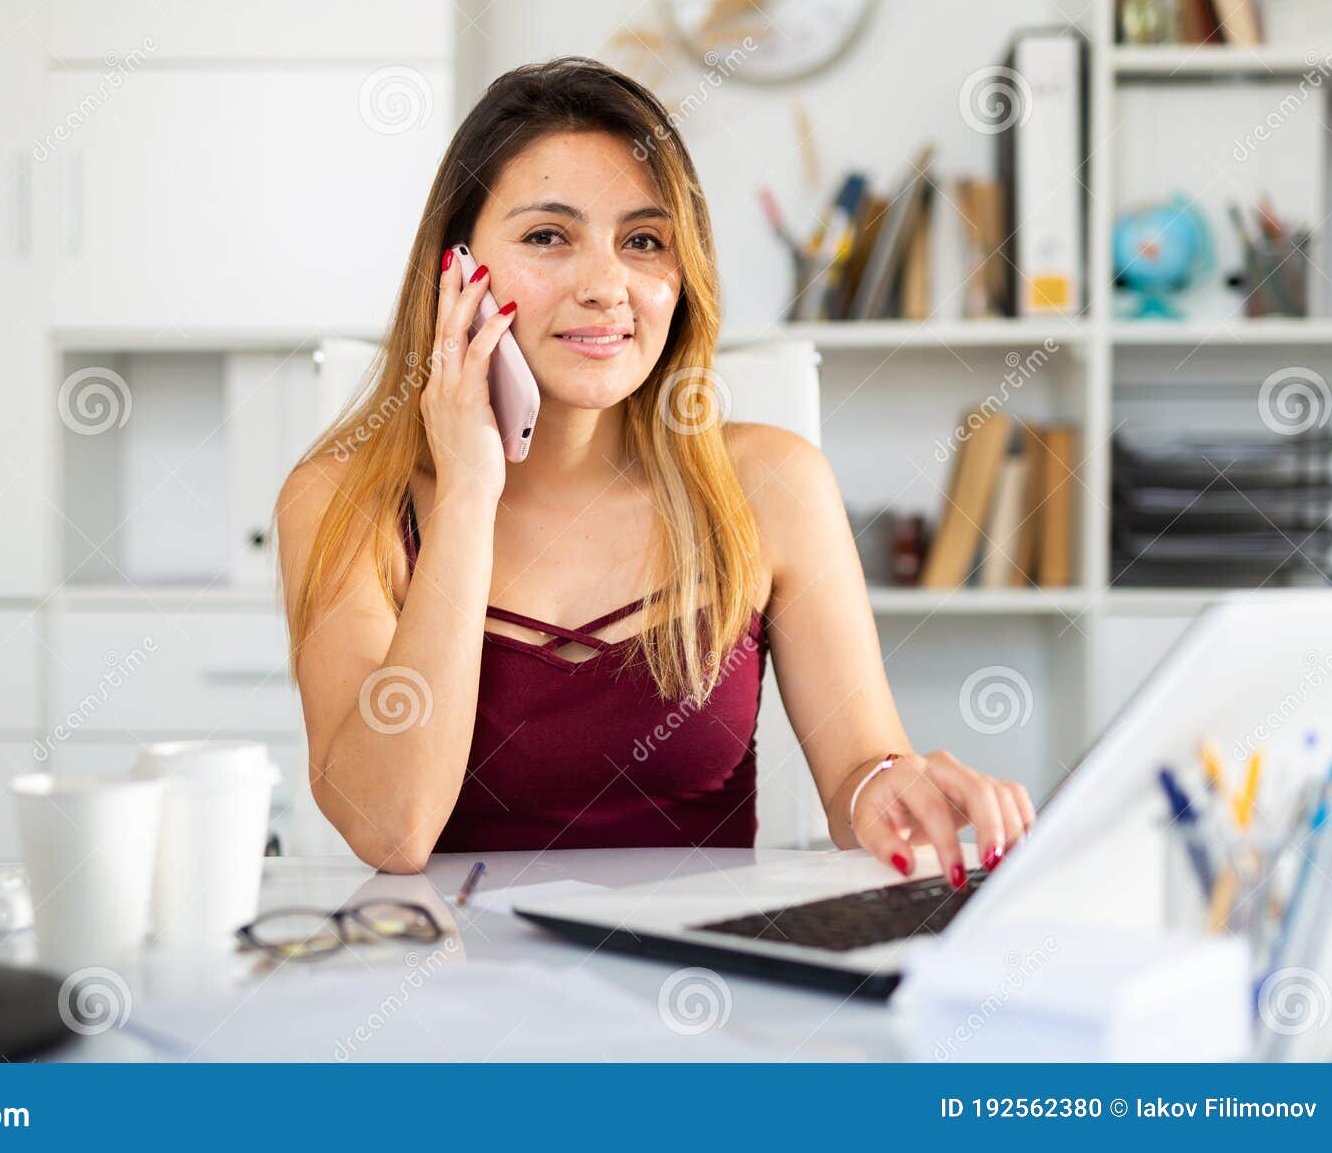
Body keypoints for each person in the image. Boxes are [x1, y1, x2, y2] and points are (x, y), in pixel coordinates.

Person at [275, 57, 1035, 879]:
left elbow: (861, 768)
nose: (607, 286)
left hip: (698, 960)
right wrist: (466, 491)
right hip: (448, 957)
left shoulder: (775, 484)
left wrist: (888, 785)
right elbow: (391, 830)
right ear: (457, 272)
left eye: (643, 241)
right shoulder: (342, 501)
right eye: (547, 236)